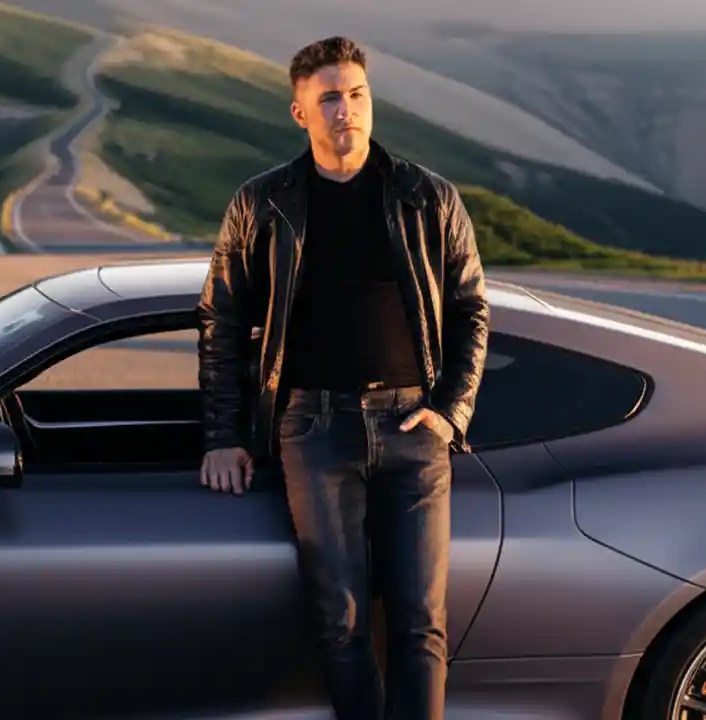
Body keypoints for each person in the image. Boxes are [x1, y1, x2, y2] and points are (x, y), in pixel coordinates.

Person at [195, 35, 489, 720]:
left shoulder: (427, 196)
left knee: (421, 623)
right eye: (329, 98)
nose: (345, 110)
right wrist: (221, 434)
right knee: (343, 621)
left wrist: (452, 410)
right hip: (311, 430)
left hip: (415, 426)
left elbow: (472, 308)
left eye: (356, 95)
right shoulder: (261, 204)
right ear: (300, 113)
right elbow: (222, 320)